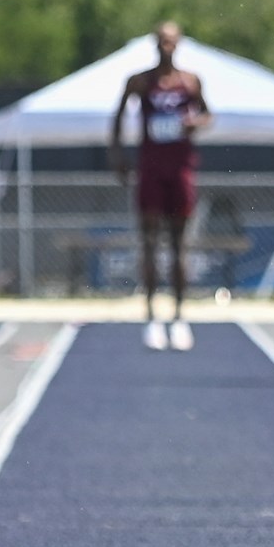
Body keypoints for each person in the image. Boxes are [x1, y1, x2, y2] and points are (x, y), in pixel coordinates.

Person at [110, 22, 211, 351]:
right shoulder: (141, 81)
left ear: (178, 44)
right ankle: (152, 315)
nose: (166, 47)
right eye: (161, 42)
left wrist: (195, 122)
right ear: (155, 44)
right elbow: (118, 116)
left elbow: (208, 114)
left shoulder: (190, 81)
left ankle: (180, 316)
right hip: (151, 168)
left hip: (180, 169)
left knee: (179, 244)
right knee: (150, 243)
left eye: (171, 42)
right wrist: (118, 157)